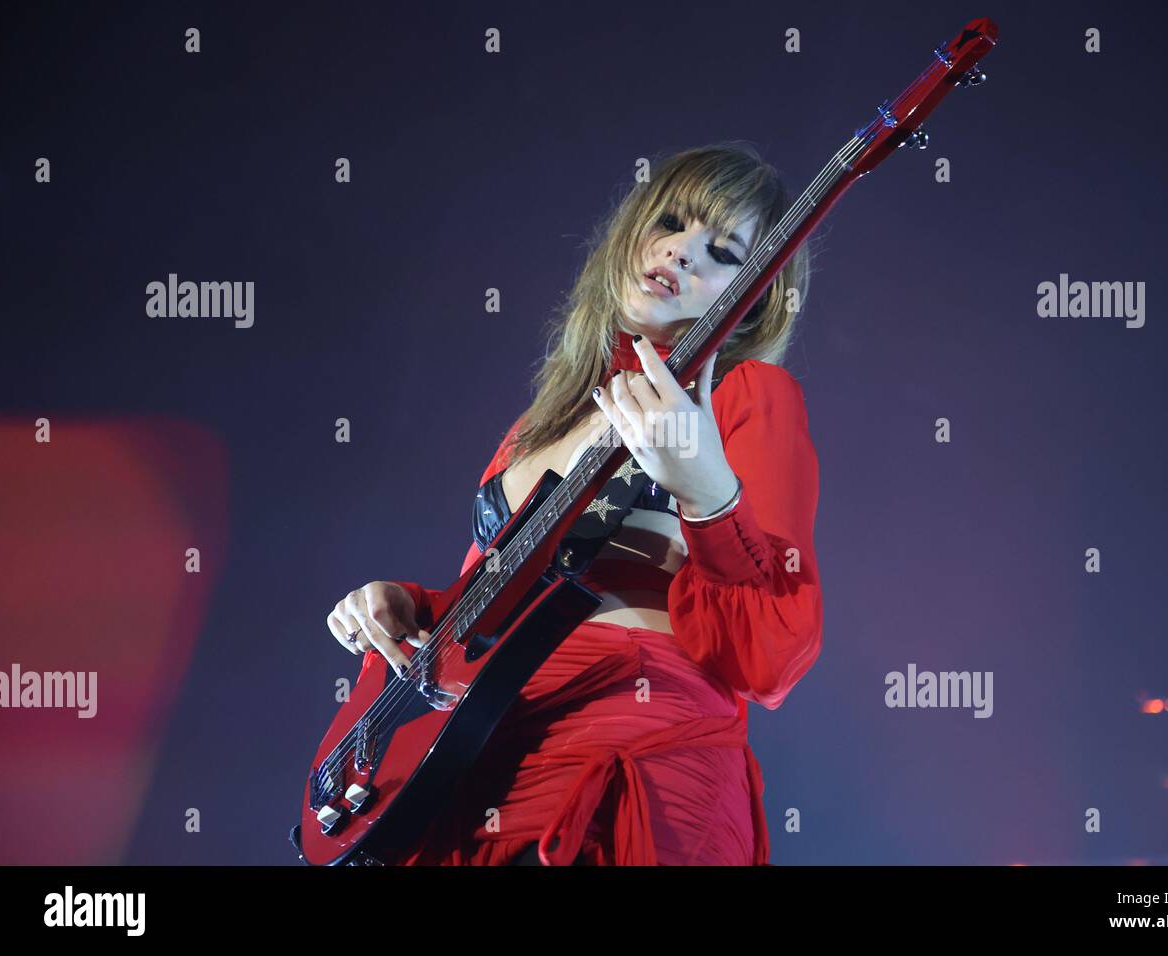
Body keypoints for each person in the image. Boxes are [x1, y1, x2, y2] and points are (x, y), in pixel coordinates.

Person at [325, 142, 823, 865]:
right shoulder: (538, 426)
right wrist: (407, 606)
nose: (681, 252)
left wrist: (708, 493)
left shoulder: (746, 396)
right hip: (483, 754)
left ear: (752, 299)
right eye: (672, 221)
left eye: (720, 252)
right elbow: (484, 614)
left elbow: (774, 651)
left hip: (629, 756)